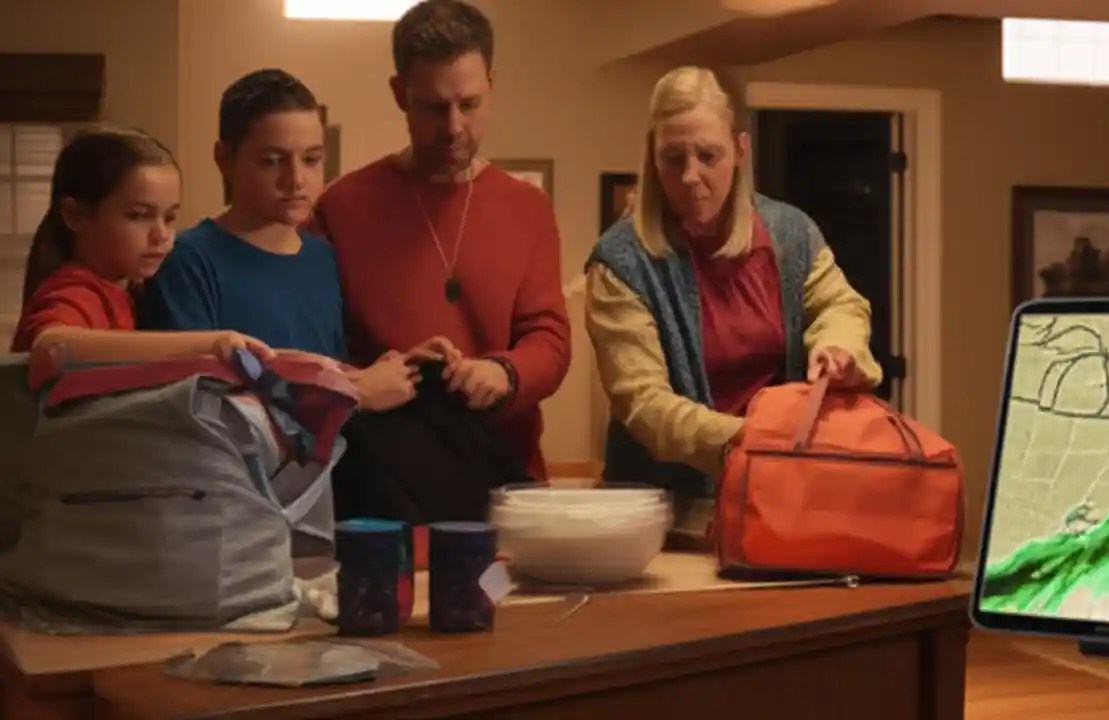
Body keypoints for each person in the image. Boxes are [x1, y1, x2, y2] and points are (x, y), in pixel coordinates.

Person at [584, 66, 884, 515]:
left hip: (776, 499)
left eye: (708, 155)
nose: (690, 176)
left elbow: (839, 304)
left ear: (740, 151)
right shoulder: (622, 262)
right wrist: (751, 439)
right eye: (673, 158)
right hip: (666, 512)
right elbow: (645, 404)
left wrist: (836, 348)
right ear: (652, 157)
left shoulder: (791, 235)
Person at [310, 0, 571, 480]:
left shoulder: (526, 208)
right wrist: (380, 376)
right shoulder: (342, 207)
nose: (453, 128)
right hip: (381, 475)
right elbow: (314, 349)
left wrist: (503, 372)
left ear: (492, 84)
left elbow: (550, 342)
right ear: (399, 93)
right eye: (433, 107)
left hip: (502, 471)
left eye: (468, 105)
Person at [142, 69, 419, 411]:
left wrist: (408, 367)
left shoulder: (323, 258)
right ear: (225, 159)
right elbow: (196, 399)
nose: (296, 180)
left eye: (311, 159)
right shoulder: (188, 261)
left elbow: (331, 369)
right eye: (273, 161)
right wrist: (351, 396)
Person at [12, 124, 270, 366]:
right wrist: (210, 344)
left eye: (169, 218)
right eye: (138, 215)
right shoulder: (75, 292)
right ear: (75, 215)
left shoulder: (131, 291)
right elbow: (52, 346)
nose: (162, 235)